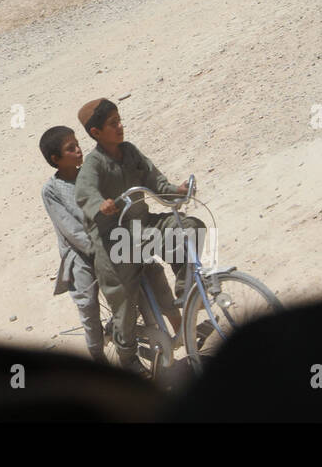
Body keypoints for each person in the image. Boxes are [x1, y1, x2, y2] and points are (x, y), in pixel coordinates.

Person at [74, 98, 205, 373]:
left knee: (190, 227)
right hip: (113, 242)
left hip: (143, 226)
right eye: (113, 124)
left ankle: (187, 290)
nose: (120, 126)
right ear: (96, 132)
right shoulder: (93, 164)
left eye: (119, 120)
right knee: (124, 303)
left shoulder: (130, 151)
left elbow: (155, 181)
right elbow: (85, 193)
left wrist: (176, 190)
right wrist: (100, 204)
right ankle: (128, 358)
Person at [38, 126, 106, 362]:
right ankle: (98, 355)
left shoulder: (90, 174)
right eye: (71, 148)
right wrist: (97, 250)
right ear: (55, 159)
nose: (79, 150)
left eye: (77, 144)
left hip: (106, 242)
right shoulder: (51, 190)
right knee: (88, 304)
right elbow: (71, 230)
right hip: (80, 253)